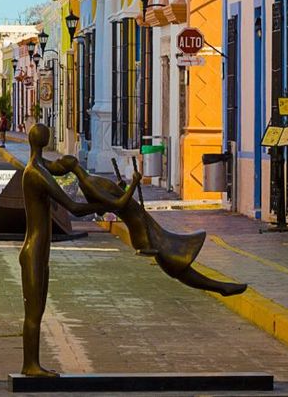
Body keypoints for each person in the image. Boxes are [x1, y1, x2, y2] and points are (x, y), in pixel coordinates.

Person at [19, 125, 139, 377]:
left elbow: (61, 167)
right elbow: (72, 206)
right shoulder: (36, 174)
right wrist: (103, 203)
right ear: (46, 140)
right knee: (33, 312)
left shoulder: (40, 166)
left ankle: (34, 363)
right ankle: (30, 365)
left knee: (38, 310)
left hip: (41, 250)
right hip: (33, 250)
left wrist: (77, 169)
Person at [51, 155, 247, 297]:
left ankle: (221, 287)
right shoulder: (90, 183)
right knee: (176, 266)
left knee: (176, 266)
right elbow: (117, 206)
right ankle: (220, 287)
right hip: (140, 228)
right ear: (74, 163)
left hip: (144, 224)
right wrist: (134, 184)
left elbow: (102, 208)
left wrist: (120, 188)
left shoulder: (88, 183)